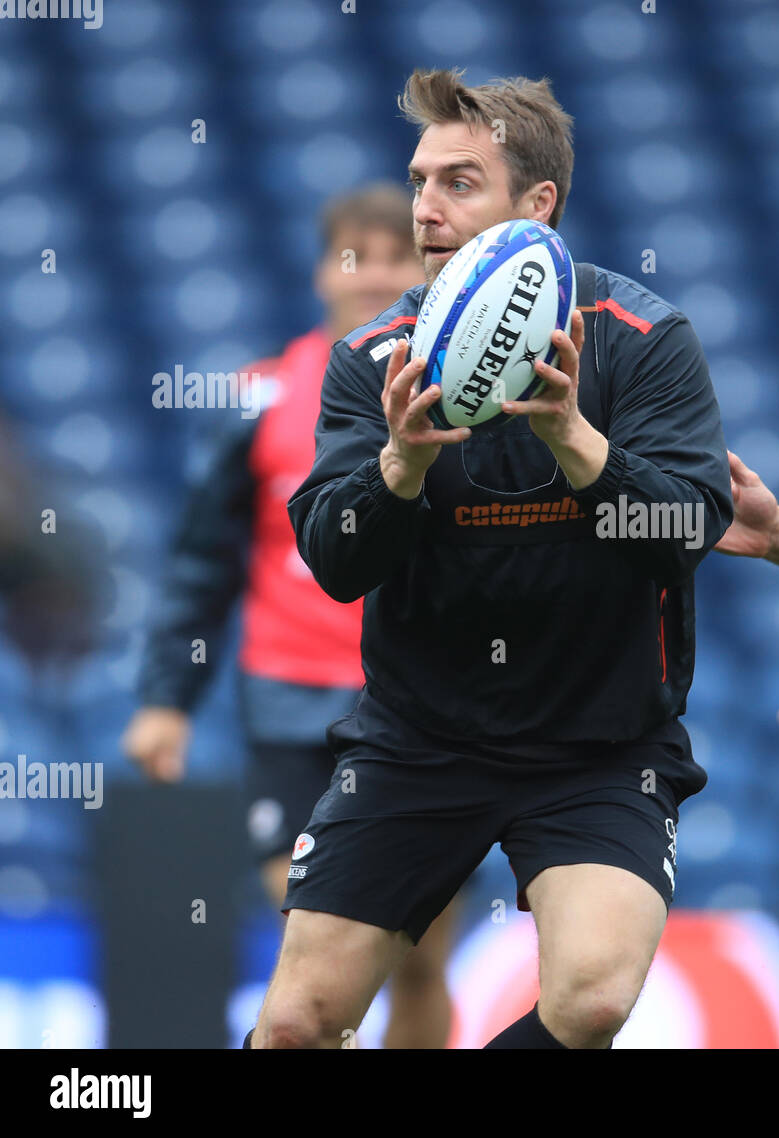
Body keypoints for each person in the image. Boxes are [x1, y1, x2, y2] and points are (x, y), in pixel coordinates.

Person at [245, 69, 730, 1050]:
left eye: (457, 182)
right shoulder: (371, 357)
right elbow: (336, 560)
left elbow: (688, 530)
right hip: (417, 740)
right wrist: (402, 463)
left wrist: (574, 443)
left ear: (537, 204)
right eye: (419, 179)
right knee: (300, 1021)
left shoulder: (641, 340)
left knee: (592, 998)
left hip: (601, 747)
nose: (424, 206)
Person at [123, 184, 460, 1048]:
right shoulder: (261, 398)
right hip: (288, 704)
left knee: (419, 960)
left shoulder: (463, 400)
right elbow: (203, 562)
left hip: (425, 706)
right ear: (322, 272)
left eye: (395, 255)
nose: (373, 273)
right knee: (312, 936)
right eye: (355, 256)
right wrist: (167, 698)